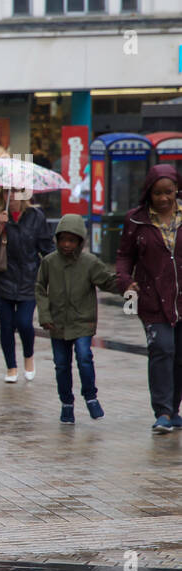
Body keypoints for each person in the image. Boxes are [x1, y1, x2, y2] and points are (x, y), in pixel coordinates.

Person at [114, 164, 182, 433]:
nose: (164, 198)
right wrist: (124, 280)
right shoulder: (136, 220)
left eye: (169, 192)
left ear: (177, 189)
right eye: (158, 193)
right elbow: (123, 256)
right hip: (153, 299)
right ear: (148, 194)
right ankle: (163, 411)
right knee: (162, 349)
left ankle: (174, 410)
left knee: (180, 355)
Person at [37, 215, 123, 424]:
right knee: (61, 365)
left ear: (80, 241)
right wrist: (45, 316)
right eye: (62, 239)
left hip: (82, 321)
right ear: (57, 240)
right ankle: (67, 403)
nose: (66, 244)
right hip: (57, 323)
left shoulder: (89, 262)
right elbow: (40, 288)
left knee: (84, 356)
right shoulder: (49, 262)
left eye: (72, 240)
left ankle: (91, 396)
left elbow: (107, 281)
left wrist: (126, 284)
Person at [0, 185, 54, 382]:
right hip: (2, 278)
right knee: (6, 324)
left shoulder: (36, 216)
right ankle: (11, 367)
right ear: (1, 194)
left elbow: (47, 246)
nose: (11, 195)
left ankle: (28, 356)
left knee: (23, 322)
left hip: (29, 279)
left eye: (16, 190)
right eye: (6, 191)